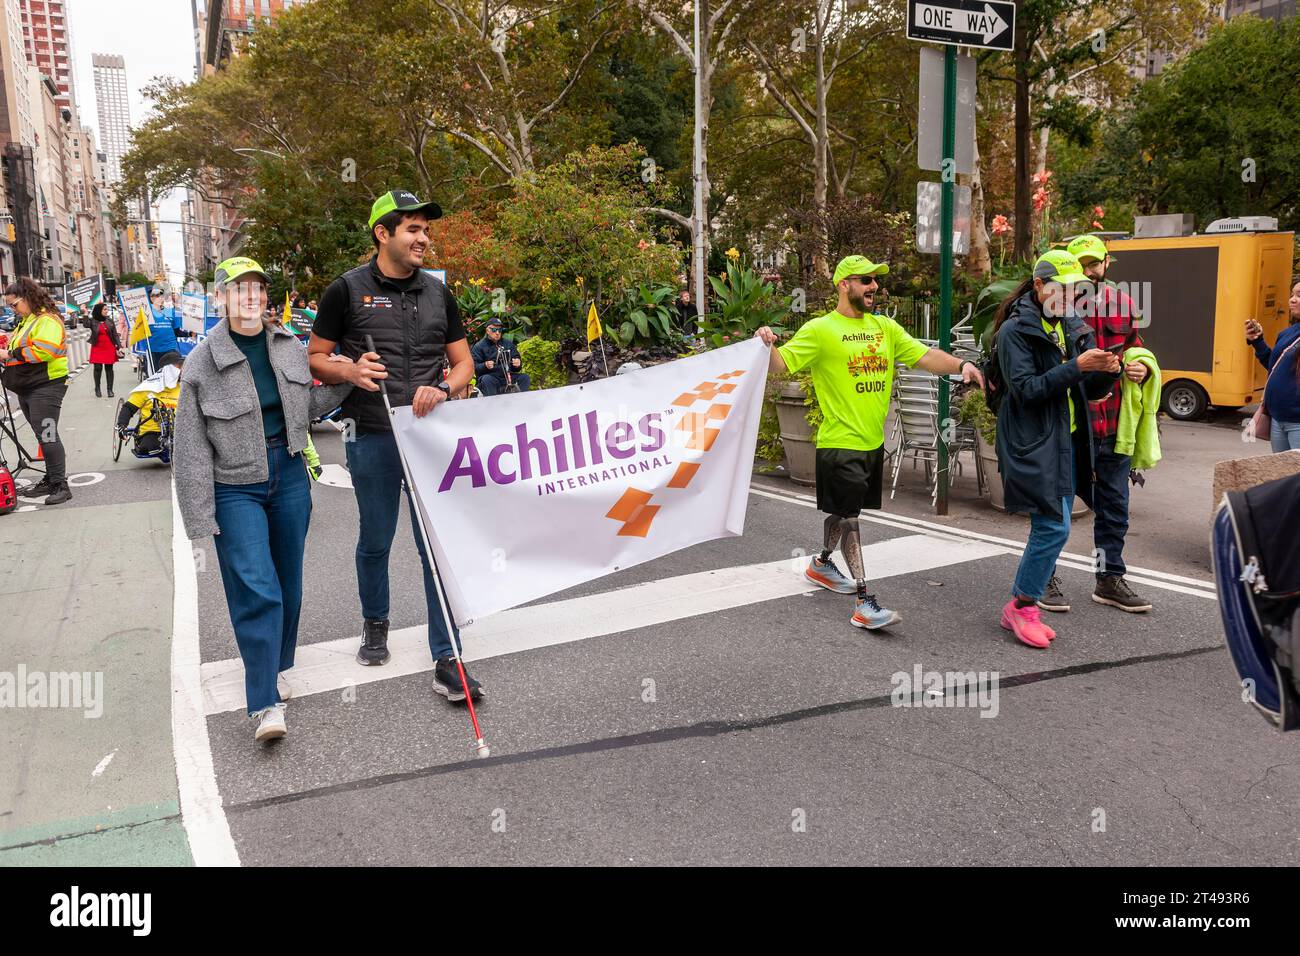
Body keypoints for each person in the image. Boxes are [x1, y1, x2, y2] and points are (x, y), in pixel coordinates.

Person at [308, 189, 483, 702]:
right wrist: (350, 368)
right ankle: (375, 622)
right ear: (382, 234)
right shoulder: (345, 291)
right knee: (377, 537)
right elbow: (315, 357)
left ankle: (447, 657)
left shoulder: (438, 293)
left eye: (426, 229)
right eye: (412, 228)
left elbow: (465, 363)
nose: (424, 237)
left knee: (436, 546)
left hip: (430, 438)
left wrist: (446, 387)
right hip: (371, 434)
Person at [174, 256, 354, 743]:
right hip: (235, 488)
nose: (250, 297)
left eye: (257, 288)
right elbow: (190, 449)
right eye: (239, 289)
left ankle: (273, 666)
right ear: (221, 299)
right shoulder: (201, 363)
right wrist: (198, 518)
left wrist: (349, 381)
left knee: (288, 585)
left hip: (290, 476)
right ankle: (263, 703)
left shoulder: (289, 346)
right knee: (257, 587)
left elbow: (308, 407)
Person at [754, 254, 983, 631]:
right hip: (839, 441)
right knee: (851, 518)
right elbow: (781, 365)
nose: (874, 286)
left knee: (844, 511)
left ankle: (822, 564)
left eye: (876, 280)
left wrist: (960, 366)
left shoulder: (886, 328)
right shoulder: (821, 329)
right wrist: (765, 342)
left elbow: (925, 357)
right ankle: (864, 600)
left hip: (871, 442)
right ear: (844, 285)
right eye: (865, 280)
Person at [992, 250, 1122, 649]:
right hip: (1033, 441)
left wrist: (1107, 372)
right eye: (1060, 289)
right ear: (1038, 286)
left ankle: (1023, 603)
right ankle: (1023, 605)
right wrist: (1077, 367)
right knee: (1054, 526)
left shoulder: (1071, 324)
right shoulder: (1015, 332)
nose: (1067, 297)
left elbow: (1088, 390)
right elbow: (1026, 389)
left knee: (1053, 528)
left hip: (1067, 441)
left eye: (1073, 290)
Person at [1034, 233, 1153, 614]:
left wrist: (1142, 366)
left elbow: (1137, 346)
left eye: (1093, 263)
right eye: (1080, 264)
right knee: (1057, 507)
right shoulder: (1056, 308)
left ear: (1105, 263)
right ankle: (1043, 577)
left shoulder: (1125, 304)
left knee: (1115, 506)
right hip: (1073, 426)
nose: (1088, 270)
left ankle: (1108, 579)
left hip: (1115, 423)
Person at [0, 278, 72, 505]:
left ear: (28, 298)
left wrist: (9, 354)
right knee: (43, 435)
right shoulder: (28, 320)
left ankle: (61, 485)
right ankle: (52, 478)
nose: (13, 309)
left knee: (48, 435)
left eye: (14, 304)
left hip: (46, 385)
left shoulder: (47, 320)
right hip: (30, 385)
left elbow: (44, 351)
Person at [1246, 276, 1300, 453]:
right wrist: (1257, 340)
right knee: (1283, 476)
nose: (1292, 299)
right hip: (1277, 417)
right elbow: (1273, 366)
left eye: (1299, 295)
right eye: (1292, 294)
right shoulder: (1287, 333)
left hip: (1297, 422)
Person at [116, 350, 183, 457]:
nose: (182, 369)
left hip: (177, 429)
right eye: (179, 366)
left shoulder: (184, 388)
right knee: (151, 447)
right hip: (151, 431)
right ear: (168, 369)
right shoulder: (148, 388)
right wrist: (122, 426)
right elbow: (128, 408)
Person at [471, 319, 530, 395]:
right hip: (492, 378)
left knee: (524, 378)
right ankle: (492, 404)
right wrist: (485, 365)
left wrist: (518, 363)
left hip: (507, 377)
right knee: (486, 379)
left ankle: (519, 402)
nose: (497, 333)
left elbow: (517, 365)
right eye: (494, 330)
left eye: (500, 330)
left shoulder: (508, 344)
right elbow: (474, 367)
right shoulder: (479, 346)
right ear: (487, 330)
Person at [86, 302, 124, 398]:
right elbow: (86, 324)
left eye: (107, 309)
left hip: (109, 347)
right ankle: (97, 388)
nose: (107, 311)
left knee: (109, 369)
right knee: (97, 368)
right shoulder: (93, 321)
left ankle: (109, 390)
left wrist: (119, 346)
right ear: (99, 310)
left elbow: (115, 334)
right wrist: (85, 313)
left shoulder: (109, 321)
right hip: (97, 347)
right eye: (105, 309)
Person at [143, 287, 186, 372]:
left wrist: (190, 334)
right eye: (154, 296)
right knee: (155, 376)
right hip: (153, 349)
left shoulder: (170, 311)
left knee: (173, 375)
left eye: (160, 295)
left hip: (170, 348)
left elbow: (177, 332)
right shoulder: (145, 313)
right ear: (150, 298)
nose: (158, 298)